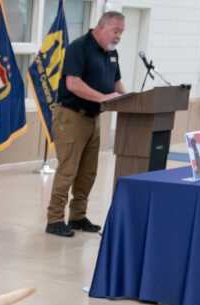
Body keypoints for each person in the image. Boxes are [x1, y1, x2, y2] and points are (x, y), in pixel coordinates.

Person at [46, 11, 126, 238]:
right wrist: (103, 97)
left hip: (94, 118)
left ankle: (78, 216)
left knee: (88, 172)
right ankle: (54, 219)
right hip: (71, 116)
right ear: (101, 27)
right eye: (115, 31)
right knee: (68, 170)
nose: (119, 36)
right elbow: (73, 83)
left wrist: (130, 99)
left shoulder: (112, 54)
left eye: (121, 32)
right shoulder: (79, 47)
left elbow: (116, 83)